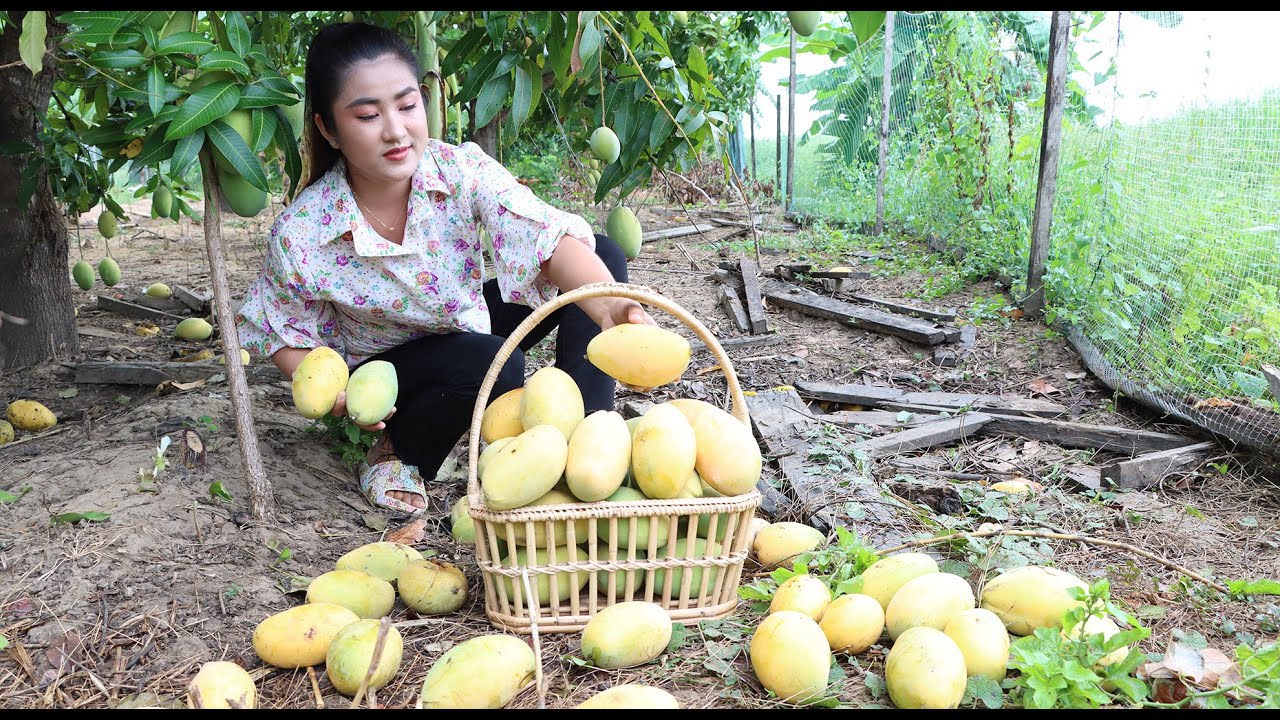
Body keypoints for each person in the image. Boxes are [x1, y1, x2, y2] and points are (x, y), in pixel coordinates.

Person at [234, 22, 654, 515]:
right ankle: (397, 454)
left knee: (600, 256)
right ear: (328, 128)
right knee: (495, 363)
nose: (396, 130)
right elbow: (281, 331)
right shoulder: (305, 230)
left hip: (462, 322)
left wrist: (611, 306)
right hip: (390, 372)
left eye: (408, 106)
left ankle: (589, 450)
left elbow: (539, 232)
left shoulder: (458, 171)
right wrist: (338, 393)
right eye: (368, 115)